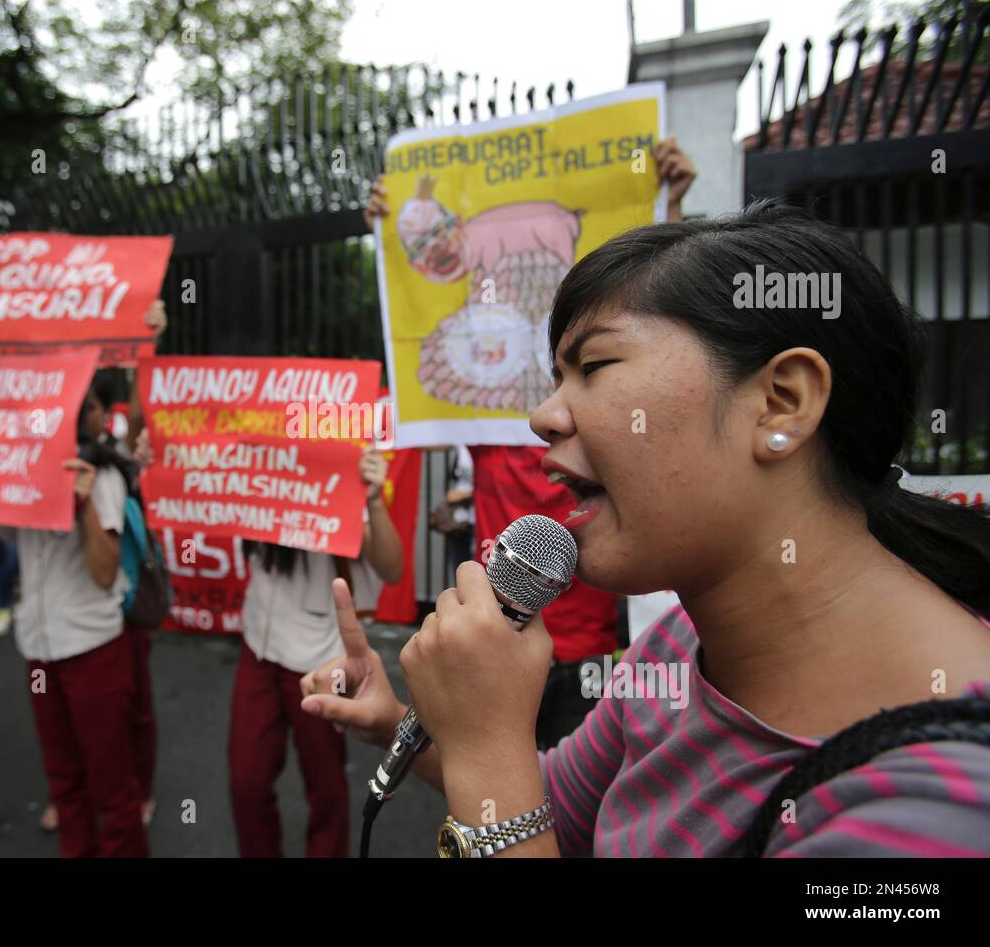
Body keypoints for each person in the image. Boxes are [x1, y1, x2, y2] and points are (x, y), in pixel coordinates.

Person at [300, 202, 990, 856]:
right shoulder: (676, 648)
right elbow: (551, 812)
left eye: (593, 366)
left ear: (781, 403)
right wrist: (402, 722)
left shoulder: (939, 804)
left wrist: (485, 751)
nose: (543, 415)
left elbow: (505, 799)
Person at [365, 139, 699, 752]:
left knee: (575, 806)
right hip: (500, 640)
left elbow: (658, 330)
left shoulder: (610, 425)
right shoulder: (483, 408)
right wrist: (398, 234)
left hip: (587, 650)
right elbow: (427, 296)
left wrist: (668, 206)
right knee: (492, 787)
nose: (553, 419)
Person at [0, 375, 147, 857]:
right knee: (63, 776)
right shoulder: (19, 475)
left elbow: (106, 573)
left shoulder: (102, 473)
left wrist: (83, 503)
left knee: (111, 780)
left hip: (93, 648)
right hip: (40, 654)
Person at [227, 445, 404, 858]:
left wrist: (373, 500)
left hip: (318, 660)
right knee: (246, 782)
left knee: (324, 788)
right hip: (256, 647)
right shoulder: (253, 455)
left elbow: (391, 569)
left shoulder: (338, 465)